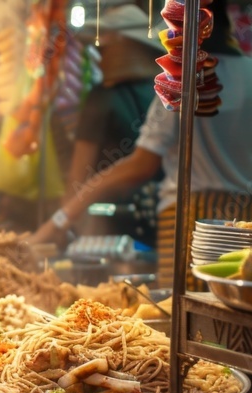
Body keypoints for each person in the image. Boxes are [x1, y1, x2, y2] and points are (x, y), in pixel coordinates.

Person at [31, 0, 252, 289]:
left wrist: (62, 217)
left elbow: (141, 164)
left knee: (185, 317)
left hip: (189, 221)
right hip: (247, 224)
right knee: (241, 313)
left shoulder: (181, 80)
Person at [64, 2, 164, 239]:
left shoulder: (101, 97)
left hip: (105, 234)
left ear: (126, 45)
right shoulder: (163, 94)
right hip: (158, 228)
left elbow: (78, 176)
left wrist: (62, 221)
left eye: (104, 48)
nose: (98, 56)